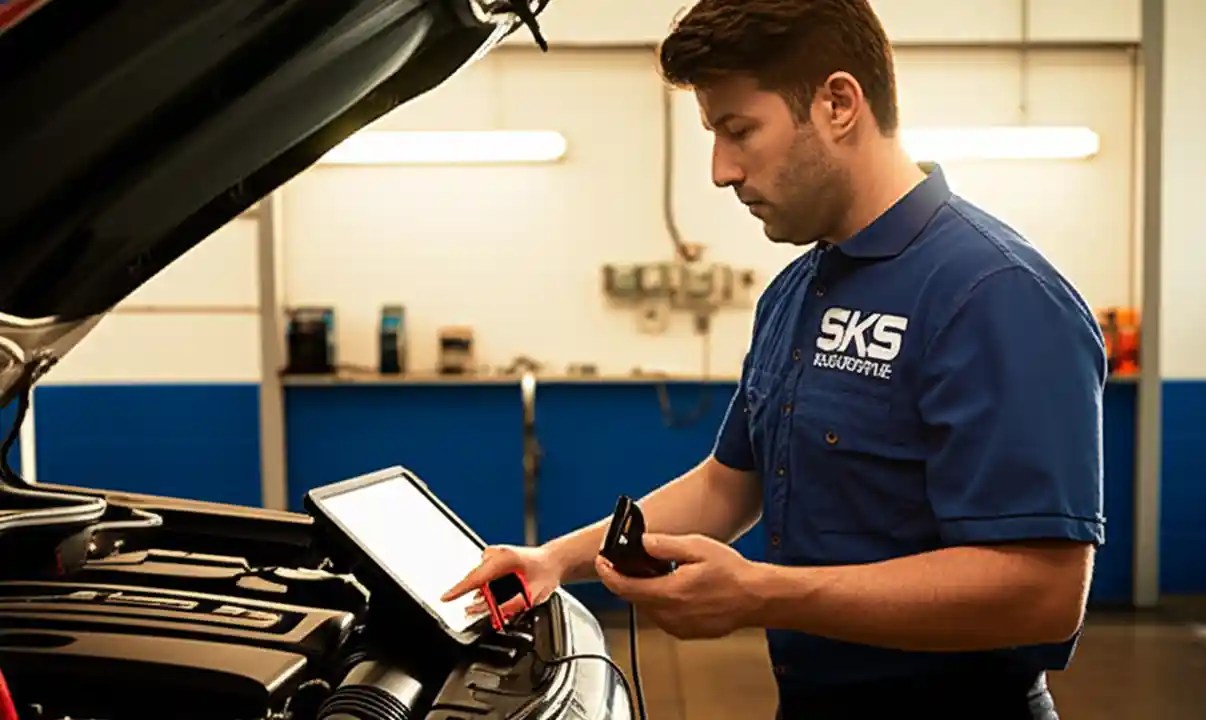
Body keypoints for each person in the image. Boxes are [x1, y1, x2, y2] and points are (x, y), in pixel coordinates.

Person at [443, 0, 1105, 716]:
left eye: (739, 131)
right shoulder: (798, 289)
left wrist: (762, 593)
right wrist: (557, 562)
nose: (721, 171)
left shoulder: (995, 294)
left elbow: (1043, 595)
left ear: (838, 104)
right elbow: (729, 487)